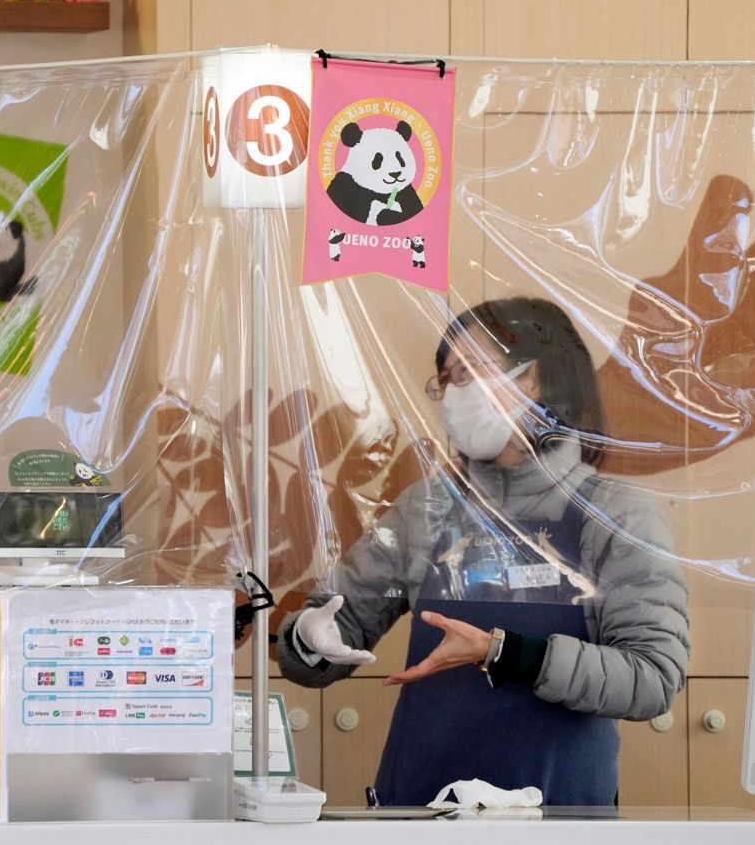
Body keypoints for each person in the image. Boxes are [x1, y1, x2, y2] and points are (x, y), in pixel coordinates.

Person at [277, 297, 690, 807]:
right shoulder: (428, 508)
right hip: (418, 812)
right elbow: (338, 629)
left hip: (557, 818)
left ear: (533, 379)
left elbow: (652, 678)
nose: (454, 393)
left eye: (470, 371)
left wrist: (505, 653)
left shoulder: (614, 515)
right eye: (446, 380)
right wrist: (308, 637)